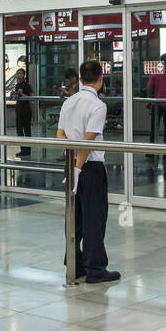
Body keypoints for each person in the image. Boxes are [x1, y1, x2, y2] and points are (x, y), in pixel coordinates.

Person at [57, 60, 119, 283]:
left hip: (71, 163)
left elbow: (60, 136)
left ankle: (74, 264)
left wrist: (72, 166)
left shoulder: (69, 102)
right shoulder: (97, 105)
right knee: (95, 218)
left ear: (81, 79)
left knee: (75, 218)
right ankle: (95, 269)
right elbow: (88, 142)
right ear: (101, 80)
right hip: (89, 168)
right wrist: (78, 170)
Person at [146, 53, 166, 175]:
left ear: (161, 61)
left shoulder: (156, 73)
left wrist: (149, 101)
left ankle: (152, 151)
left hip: (157, 105)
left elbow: (149, 88)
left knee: (154, 128)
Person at [12, 68, 34, 156]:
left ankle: (27, 150)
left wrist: (22, 94)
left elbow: (31, 97)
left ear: (24, 75)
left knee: (27, 131)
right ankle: (23, 149)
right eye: (17, 73)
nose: (19, 75)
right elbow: (16, 97)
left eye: (20, 73)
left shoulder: (27, 85)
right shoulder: (17, 85)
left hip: (26, 111)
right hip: (18, 110)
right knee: (19, 130)